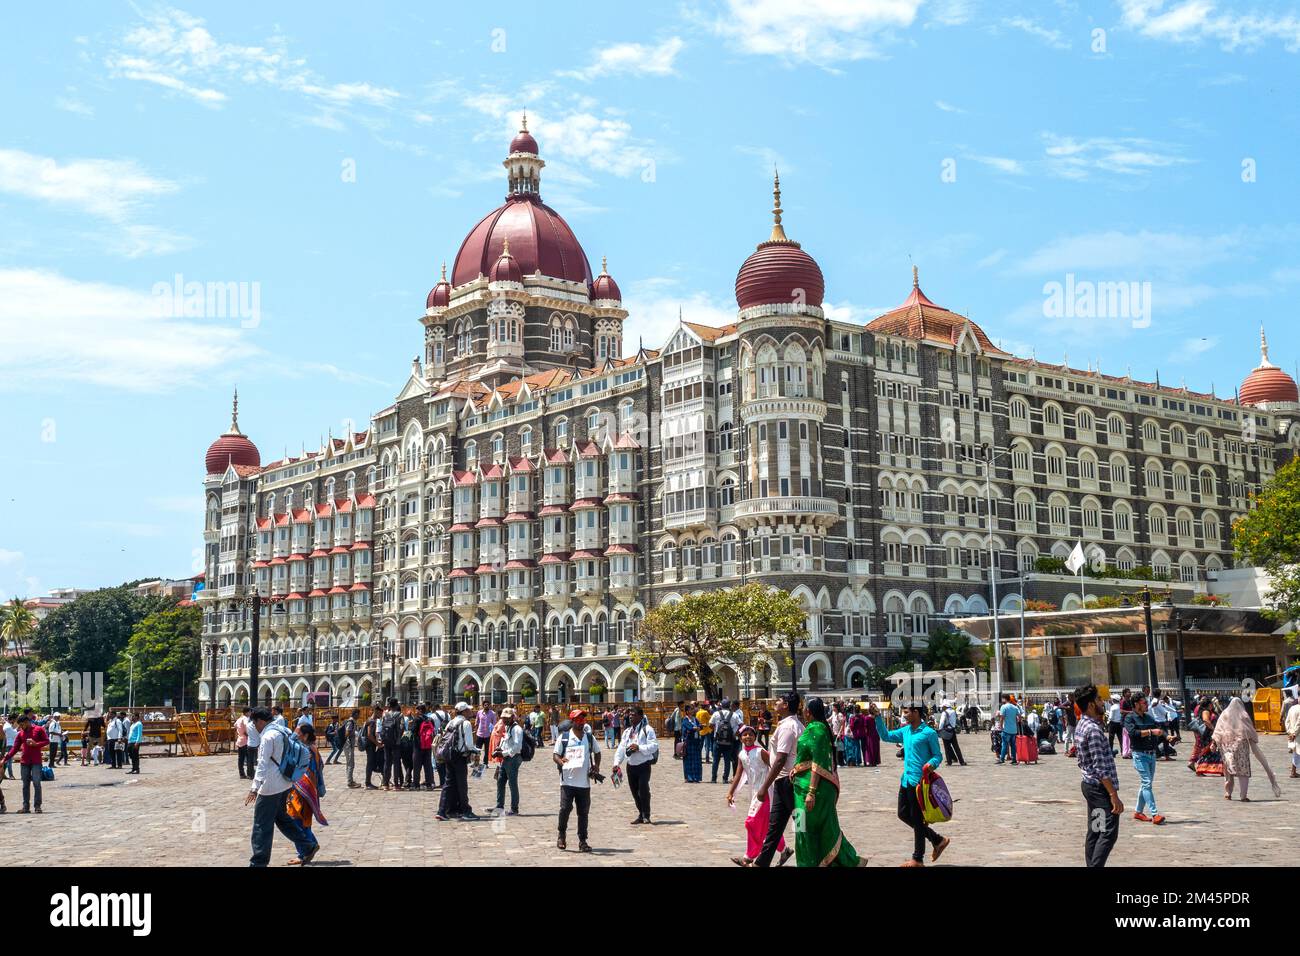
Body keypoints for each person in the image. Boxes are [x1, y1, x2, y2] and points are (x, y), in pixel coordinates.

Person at [873, 701, 949, 867]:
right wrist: (878, 717)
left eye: (906, 712)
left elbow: (938, 756)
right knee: (902, 814)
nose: (904, 715)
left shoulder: (928, 733)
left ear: (916, 712)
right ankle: (937, 839)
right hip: (906, 780)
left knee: (917, 819)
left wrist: (931, 765)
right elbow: (886, 736)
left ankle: (918, 858)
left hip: (920, 784)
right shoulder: (905, 731)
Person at [792, 698, 863, 867]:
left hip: (813, 789)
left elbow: (817, 763)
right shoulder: (814, 728)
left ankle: (810, 863)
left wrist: (811, 791)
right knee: (802, 827)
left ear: (808, 712)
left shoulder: (818, 729)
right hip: (801, 789)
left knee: (805, 828)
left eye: (804, 709)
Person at [244, 707, 318, 867]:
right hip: (285, 782)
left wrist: (254, 788)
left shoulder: (268, 736)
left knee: (261, 826)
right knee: (282, 818)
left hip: (270, 786)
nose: (255, 727)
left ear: (261, 721)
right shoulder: (283, 730)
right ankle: (307, 845)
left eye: (255, 722)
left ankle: (258, 863)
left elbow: (262, 764)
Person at [751, 692, 802, 868]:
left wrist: (764, 787)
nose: (775, 703)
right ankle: (761, 863)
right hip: (785, 782)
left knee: (799, 822)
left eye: (779, 701)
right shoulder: (793, 724)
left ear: (786, 705)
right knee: (776, 825)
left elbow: (781, 759)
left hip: (787, 782)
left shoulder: (788, 727)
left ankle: (807, 856)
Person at [1074, 683, 1122, 867]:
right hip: (1099, 788)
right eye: (1099, 699)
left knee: (1096, 829)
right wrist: (1113, 796)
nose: (1103, 702)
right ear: (1092, 704)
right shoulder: (1093, 730)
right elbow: (1100, 767)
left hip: (1090, 785)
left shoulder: (1083, 724)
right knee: (1108, 831)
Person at [728, 724, 789, 865]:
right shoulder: (742, 754)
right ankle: (784, 849)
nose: (748, 737)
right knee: (769, 825)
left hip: (765, 793)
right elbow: (738, 774)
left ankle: (749, 856)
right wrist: (731, 792)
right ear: (740, 737)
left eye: (751, 734)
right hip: (754, 793)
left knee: (751, 823)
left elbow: (774, 766)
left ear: (755, 736)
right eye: (745, 734)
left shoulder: (761, 751)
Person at [1213, 697, 1283, 802]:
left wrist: (1215, 742)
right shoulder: (1243, 715)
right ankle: (1243, 796)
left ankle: (1228, 793)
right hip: (1241, 746)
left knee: (1228, 771)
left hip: (1227, 746)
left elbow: (1218, 731)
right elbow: (1250, 730)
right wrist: (1253, 739)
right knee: (1243, 771)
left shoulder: (1224, 715)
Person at [553, 709, 601, 851]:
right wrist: (561, 761)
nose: (581, 723)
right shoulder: (565, 737)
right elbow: (555, 755)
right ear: (572, 721)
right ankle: (561, 834)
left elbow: (597, 753)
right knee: (565, 809)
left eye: (583, 720)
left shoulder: (589, 738)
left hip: (584, 782)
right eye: (578, 720)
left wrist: (596, 766)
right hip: (567, 781)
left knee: (583, 813)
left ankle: (583, 840)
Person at [283, 723, 326, 864]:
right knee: (302, 820)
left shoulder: (304, 750)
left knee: (296, 819)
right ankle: (306, 849)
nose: (296, 735)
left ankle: (307, 848)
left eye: (298, 733)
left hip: (303, 790)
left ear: (305, 735)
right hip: (308, 789)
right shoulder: (312, 749)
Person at [1123, 693, 1167, 824]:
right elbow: (1133, 733)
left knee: (1146, 785)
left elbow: (1158, 729)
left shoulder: (1148, 717)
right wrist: (1150, 732)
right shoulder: (1129, 718)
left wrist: (1167, 737)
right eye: (1144, 703)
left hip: (1151, 755)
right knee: (1147, 783)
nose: (1146, 704)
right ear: (1136, 704)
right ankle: (1155, 814)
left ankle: (1138, 812)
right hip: (1139, 754)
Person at [613, 705, 658, 825]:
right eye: (630, 715)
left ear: (641, 716)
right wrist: (616, 763)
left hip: (643, 765)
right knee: (634, 791)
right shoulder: (628, 732)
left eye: (634, 714)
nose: (631, 717)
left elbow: (654, 746)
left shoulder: (647, 729)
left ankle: (646, 815)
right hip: (631, 766)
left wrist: (639, 747)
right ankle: (640, 813)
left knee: (643, 790)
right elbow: (621, 748)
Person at [435, 701, 480, 821]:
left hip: (449, 756)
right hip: (460, 757)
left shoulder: (451, 721)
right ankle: (465, 811)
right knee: (462, 785)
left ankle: (444, 810)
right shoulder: (466, 723)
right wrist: (477, 750)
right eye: (469, 710)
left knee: (449, 783)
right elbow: (469, 744)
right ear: (464, 711)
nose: (471, 711)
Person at [3, 714, 49, 813]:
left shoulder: (39, 729)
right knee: (25, 785)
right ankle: (26, 807)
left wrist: (36, 744)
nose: (21, 727)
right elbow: (14, 748)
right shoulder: (20, 734)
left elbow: (46, 741)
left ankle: (37, 806)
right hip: (24, 762)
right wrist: (5, 758)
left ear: (27, 722)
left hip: (36, 761)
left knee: (37, 783)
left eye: (22, 725)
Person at [493, 708, 525, 816]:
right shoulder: (508, 727)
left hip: (513, 758)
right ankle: (499, 806)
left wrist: (503, 753)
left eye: (506, 718)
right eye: (503, 718)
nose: (504, 720)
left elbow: (517, 747)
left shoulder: (517, 729)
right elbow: (506, 741)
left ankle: (514, 808)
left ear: (512, 717)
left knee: (512, 783)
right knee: (500, 781)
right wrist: (499, 749)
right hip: (506, 758)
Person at [710, 698, 741, 784]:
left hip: (717, 740)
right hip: (729, 741)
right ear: (729, 705)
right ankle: (725, 779)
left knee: (715, 760)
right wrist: (735, 734)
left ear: (721, 705)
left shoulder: (716, 714)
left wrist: (716, 730)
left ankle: (713, 778)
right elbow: (741, 725)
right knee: (727, 761)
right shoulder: (734, 715)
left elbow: (711, 725)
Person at [380, 698, 405, 791]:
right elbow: (402, 727)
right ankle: (396, 784)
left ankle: (385, 784)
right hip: (396, 742)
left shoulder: (385, 714)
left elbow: (382, 726)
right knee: (396, 763)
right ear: (396, 705)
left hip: (386, 741)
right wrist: (398, 737)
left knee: (387, 762)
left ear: (389, 705)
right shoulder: (400, 715)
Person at [410, 704, 435, 791]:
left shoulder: (417, 719)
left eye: (417, 710)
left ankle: (416, 785)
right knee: (428, 765)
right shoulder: (430, 719)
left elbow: (413, 730)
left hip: (418, 745)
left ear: (420, 710)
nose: (415, 712)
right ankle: (429, 784)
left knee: (417, 766)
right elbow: (433, 730)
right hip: (428, 745)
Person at [937, 701, 966, 766]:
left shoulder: (944, 713)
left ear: (945, 707)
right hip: (952, 730)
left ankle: (949, 761)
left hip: (946, 731)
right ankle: (962, 761)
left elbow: (942, 722)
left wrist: (940, 729)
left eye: (943, 707)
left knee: (947, 747)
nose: (942, 708)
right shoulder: (953, 712)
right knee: (956, 747)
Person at [679, 705, 703, 783]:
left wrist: (698, 727)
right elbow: (689, 728)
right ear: (687, 711)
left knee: (697, 760)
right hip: (688, 743)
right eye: (690, 709)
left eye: (692, 709)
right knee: (688, 760)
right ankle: (689, 777)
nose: (692, 711)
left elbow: (700, 726)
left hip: (696, 742)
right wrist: (696, 728)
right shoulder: (685, 720)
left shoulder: (695, 719)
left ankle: (696, 777)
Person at [337, 708, 359, 788]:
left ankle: (350, 779)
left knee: (349, 763)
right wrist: (350, 737)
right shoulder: (351, 722)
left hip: (348, 745)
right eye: (358, 714)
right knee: (351, 763)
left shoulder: (350, 721)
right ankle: (350, 782)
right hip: (348, 745)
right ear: (355, 714)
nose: (359, 716)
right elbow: (347, 732)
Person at [363, 704, 384, 789]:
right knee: (370, 763)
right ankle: (368, 783)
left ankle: (368, 782)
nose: (381, 715)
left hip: (371, 744)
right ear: (376, 711)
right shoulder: (372, 721)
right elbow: (369, 735)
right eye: (380, 713)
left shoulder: (371, 720)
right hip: (370, 745)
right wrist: (378, 744)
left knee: (371, 763)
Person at [997, 694, 1020, 765]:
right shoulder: (1015, 707)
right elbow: (1019, 717)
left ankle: (1002, 759)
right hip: (1014, 730)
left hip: (1006, 729)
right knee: (1013, 745)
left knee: (1004, 744)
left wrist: (1000, 726)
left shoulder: (1003, 707)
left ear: (1004, 699)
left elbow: (1002, 717)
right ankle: (1014, 759)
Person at [1285, 695, 1300, 779]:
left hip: (1292, 734)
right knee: (1297, 753)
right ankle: (1293, 772)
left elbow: (1287, 721)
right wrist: (1294, 734)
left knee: (1296, 753)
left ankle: (1293, 771)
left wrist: (1289, 732)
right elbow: (1299, 723)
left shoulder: (1292, 708)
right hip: (1297, 735)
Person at [235, 708, 252, 779]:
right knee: (249, 758)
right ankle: (249, 774)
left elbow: (235, 725)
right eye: (250, 712)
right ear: (247, 712)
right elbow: (247, 726)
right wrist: (248, 733)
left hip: (240, 740)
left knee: (240, 758)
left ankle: (241, 774)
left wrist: (240, 732)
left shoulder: (239, 719)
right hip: (246, 741)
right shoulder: (246, 718)